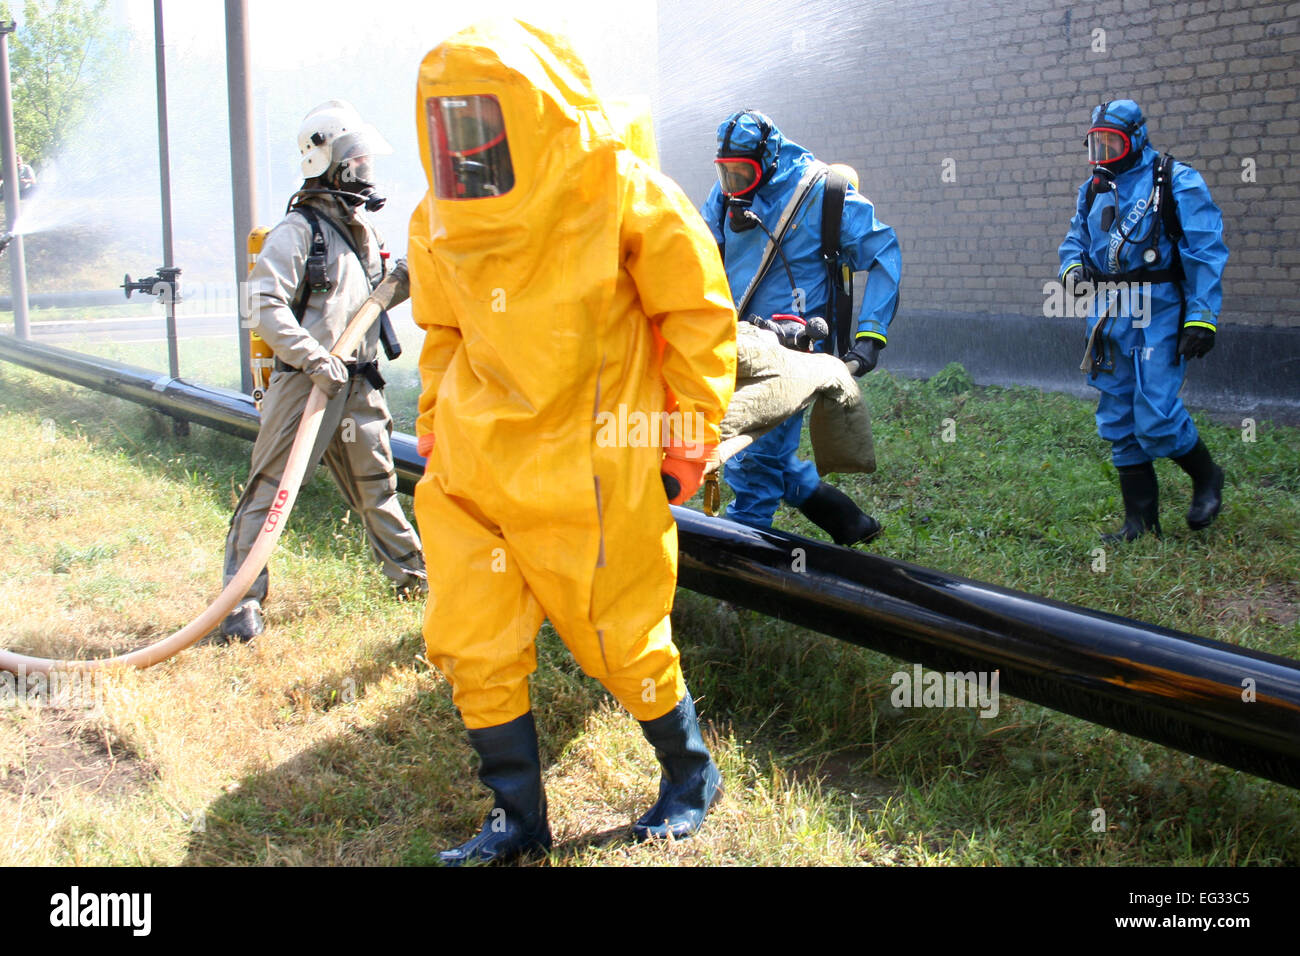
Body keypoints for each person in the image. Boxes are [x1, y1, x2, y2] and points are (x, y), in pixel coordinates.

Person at [409, 18, 737, 864]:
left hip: (591, 468)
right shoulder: (438, 214)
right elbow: (441, 333)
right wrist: (436, 427)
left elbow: (696, 314)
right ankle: (518, 819)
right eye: (449, 123)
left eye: (479, 120)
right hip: (476, 473)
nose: (465, 143)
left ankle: (690, 774)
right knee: (473, 635)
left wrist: (683, 439)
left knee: (621, 632)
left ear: (532, 110)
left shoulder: (621, 192)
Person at [219, 100, 426, 642]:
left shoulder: (358, 230)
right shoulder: (298, 230)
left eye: (366, 161)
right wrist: (315, 358)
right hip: (306, 385)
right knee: (270, 492)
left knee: (377, 488)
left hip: (358, 383)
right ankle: (240, 607)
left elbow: (365, 301)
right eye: (355, 161)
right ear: (325, 163)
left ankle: (414, 584)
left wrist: (400, 282)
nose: (366, 171)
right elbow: (262, 303)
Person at [701, 110, 901, 546]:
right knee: (762, 452)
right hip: (735, 344)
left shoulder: (822, 195)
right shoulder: (725, 195)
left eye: (742, 173)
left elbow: (884, 251)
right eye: (726, 173)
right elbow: (698, 249)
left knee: (752, 464)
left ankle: (740, 583)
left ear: (768, 162)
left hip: (794, 354)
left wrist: (871, 334)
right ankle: (845, 518)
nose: (733, 186)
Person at [1058, 99, 1229, 541]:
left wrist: (1202, 318)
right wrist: (1073, 268)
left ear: (1136, 138)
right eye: (1096, 145)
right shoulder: (1093, 189)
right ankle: (1140, 524)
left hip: (1162, 308)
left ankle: (1208, 477)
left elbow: (1205, 251)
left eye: (1111, 143)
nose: (1103, 155)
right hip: (1111, 310)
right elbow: (1075, 236)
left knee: (1155, 413)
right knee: (1118, 414)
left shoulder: (1176, 180)